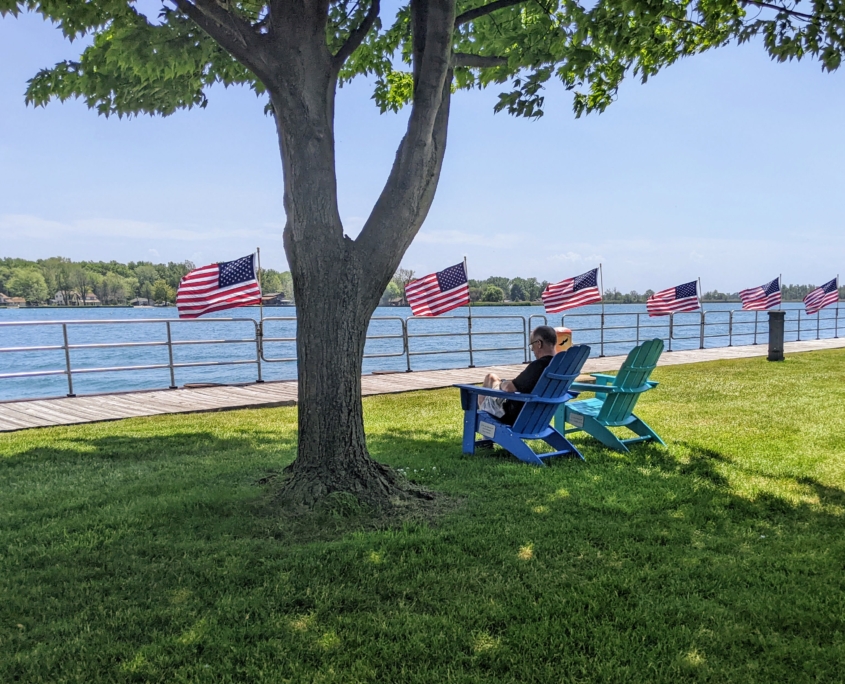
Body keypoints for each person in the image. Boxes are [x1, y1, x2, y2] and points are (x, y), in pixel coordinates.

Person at [478, 325, 558, 425]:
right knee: (492, 377)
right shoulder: (560, 366)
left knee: (489, 381)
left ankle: (486, 433)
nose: (532, 350)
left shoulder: (538, 366)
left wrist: (502, 384)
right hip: (540, 416)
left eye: (532, 345)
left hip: (514, 416)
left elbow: (509, 388)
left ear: (539, 343)